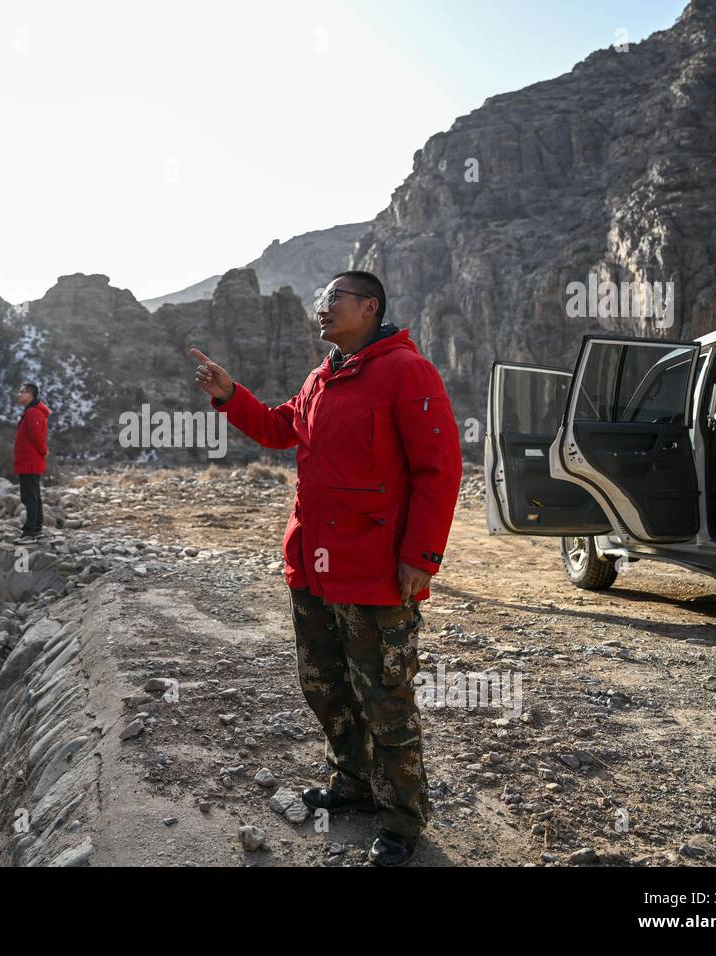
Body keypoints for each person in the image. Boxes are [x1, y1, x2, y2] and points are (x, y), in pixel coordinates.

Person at [190, 270, 462, 866]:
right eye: (320, 299)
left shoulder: (405, 371)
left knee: (384, 699)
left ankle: (401, 819)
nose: (321, 308)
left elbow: (439, 470)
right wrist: (230, 394)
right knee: (324, 685)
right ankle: (353, 786)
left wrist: (422, 557)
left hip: (375, 571)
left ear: (369, 306)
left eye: (332, 298)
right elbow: (278, 428)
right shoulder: (324, 376)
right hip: (314, 568)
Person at [12, 383, 50, 538]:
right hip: (28, 461)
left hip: (30, 461)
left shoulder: (33, 413)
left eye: (22, 392)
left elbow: (37, 437)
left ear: (30, 395)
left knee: (30, 496)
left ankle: (31, 530)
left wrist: (44, 451)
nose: (19, 394)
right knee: (33, 495)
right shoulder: (30, 412)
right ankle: (36, 526)